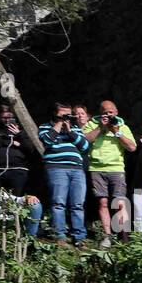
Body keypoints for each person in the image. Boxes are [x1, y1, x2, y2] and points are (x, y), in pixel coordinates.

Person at [84, 100, 137, 244]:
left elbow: (132, 147)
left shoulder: (122, 126)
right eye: (105, 113)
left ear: (116, 112)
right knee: (103, 202)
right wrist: (100, 127)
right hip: (97, 168)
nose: (108, 115)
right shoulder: (92, 124)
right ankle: (108, 236)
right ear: (100, 113)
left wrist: (116, 132)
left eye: (110, 112)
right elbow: (84, 141)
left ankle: (124, 237)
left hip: (116, 168)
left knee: (120, 202)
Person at [38, 101, 90, 245]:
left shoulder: (74, 128)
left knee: (78, 204)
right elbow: (47, 140)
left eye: (68, 114)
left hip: (77, 170)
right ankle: (59, 236)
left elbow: (85, 146)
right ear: (56, 113)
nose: (67, 117)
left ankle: (79, 237)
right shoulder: (45, 126)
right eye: (63, 114)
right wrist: (59, 124)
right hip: (56, 168)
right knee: (58, 203)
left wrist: (70, 131)